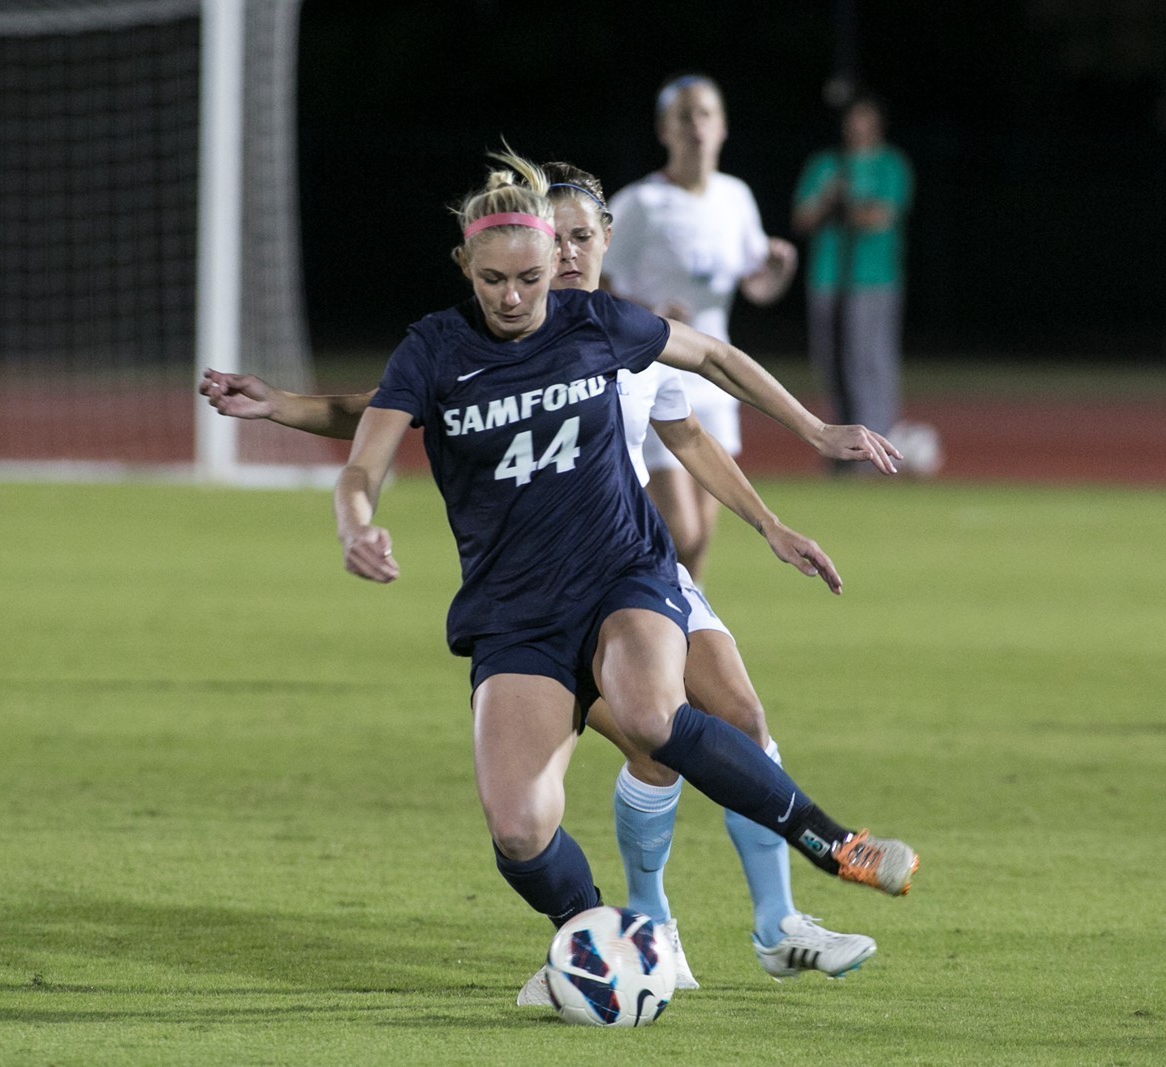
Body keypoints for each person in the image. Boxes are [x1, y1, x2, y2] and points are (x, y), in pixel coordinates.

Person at [210, 148, 918, 1004]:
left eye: (532, 278)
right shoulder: (434, 350)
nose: (513, 297)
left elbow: (715, 362)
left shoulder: (599, 323)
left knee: (661, 715)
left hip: (622, 575)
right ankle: (599, 939)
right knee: (518, 828)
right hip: (515, 614)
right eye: (495, 280)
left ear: (559, 261)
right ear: (465, 267)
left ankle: (831, 846)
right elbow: (366, 455)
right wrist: (354, 523)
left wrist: (816, 430)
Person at [601, 73, 799, 588]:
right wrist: (648, 313)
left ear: (723, 126)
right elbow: (592, 285)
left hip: (714, 379)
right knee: (679, 531)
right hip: (654, 375)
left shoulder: (735, 197)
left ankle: (688, 635)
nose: (696, 126)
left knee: (700, 541)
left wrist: (777, 271)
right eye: (684, 116)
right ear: (663, 130)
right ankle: (637, 622)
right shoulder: (640, 203)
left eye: (706, 114)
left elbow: (756, 289)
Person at [792, 92, 913, 451]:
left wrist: (845, 207)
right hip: (827, 277)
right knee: (831, 362)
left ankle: (877, 441)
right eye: (852, 119)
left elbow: (880, 217)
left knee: (868, 362)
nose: (856, 126)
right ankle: (844, 442)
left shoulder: (891, 164)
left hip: (873, 278)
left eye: (864, 118)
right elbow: (803, 218)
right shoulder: (825, 165)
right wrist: (830, 199)